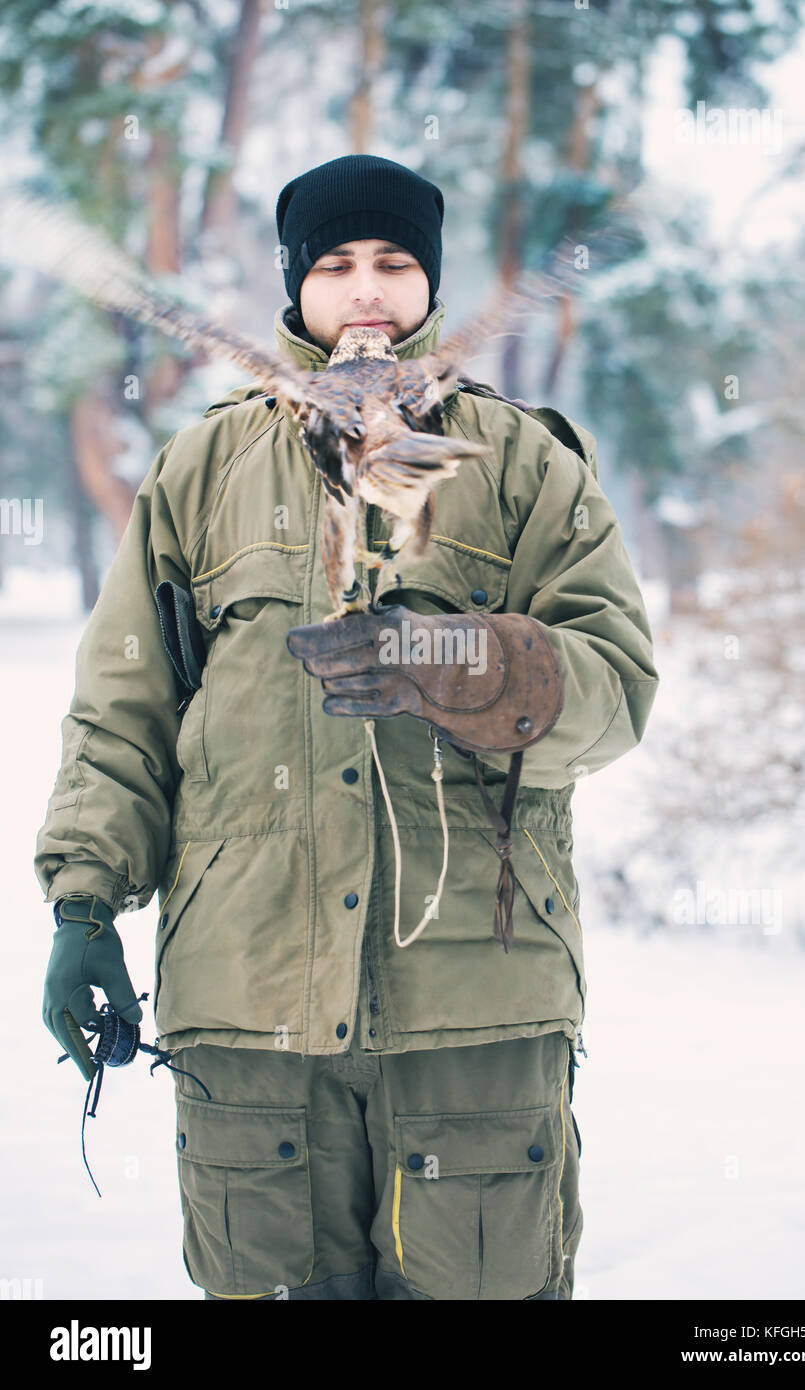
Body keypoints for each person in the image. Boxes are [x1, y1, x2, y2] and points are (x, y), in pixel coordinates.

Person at [36, 153, 659, 1300]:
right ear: (295, 285)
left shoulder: (521, 461)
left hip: (474, 1006)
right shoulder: (201, 467)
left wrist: (447, 658)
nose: (366, 288)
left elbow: (615, 688)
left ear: (430, 282)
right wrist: (84, 903)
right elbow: (122, 702)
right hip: (247, 1006)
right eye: (335, 264)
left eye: (393, 262)